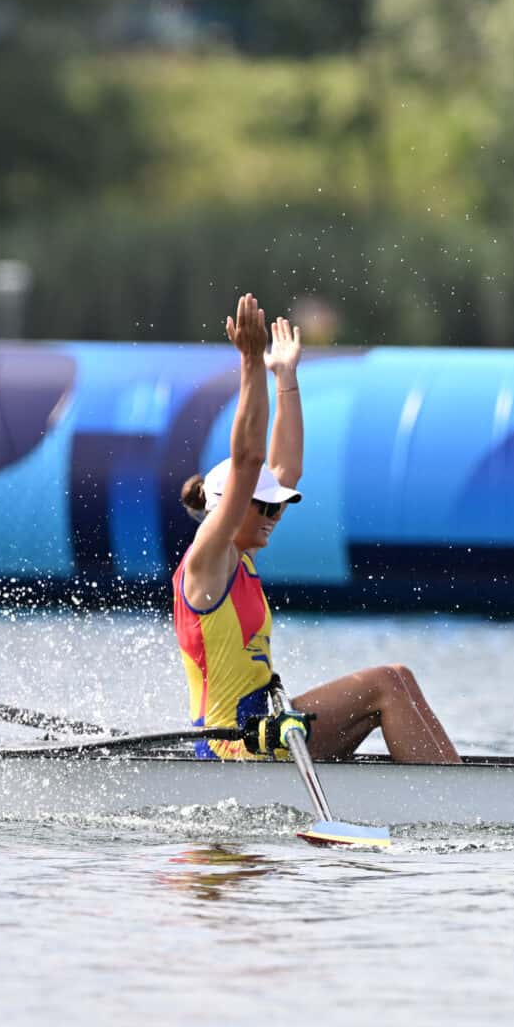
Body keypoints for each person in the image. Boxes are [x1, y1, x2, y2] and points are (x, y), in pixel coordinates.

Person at [174, 293, 459, 764]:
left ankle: (455, 781)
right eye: (264, 507)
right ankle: (457, 795)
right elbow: (249, 460)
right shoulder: (209, 560)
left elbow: (285, 468)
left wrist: (285, 377)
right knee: (386, 682)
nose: (274, 516)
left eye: (277, 508)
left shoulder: (241, 556)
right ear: (230, 507)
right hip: (230, 750)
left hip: (270, 734)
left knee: (400, 678)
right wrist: (250, 363)